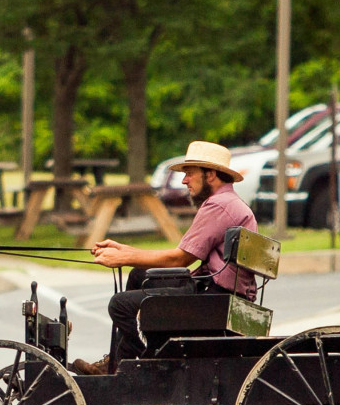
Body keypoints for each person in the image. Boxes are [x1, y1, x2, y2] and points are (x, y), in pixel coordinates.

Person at [72, 141, 258, 376]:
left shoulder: (219, 206)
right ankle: (122, 360)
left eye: (189, 173)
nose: (184, 180)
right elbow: (181, 255)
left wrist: (124, 257)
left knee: (119, 305)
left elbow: (179, 260)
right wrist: (124, 250)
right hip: (218, 292)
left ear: (210, 175)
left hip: (216, 298)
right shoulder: (226, 203)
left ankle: (141, 361)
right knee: (141, 274)